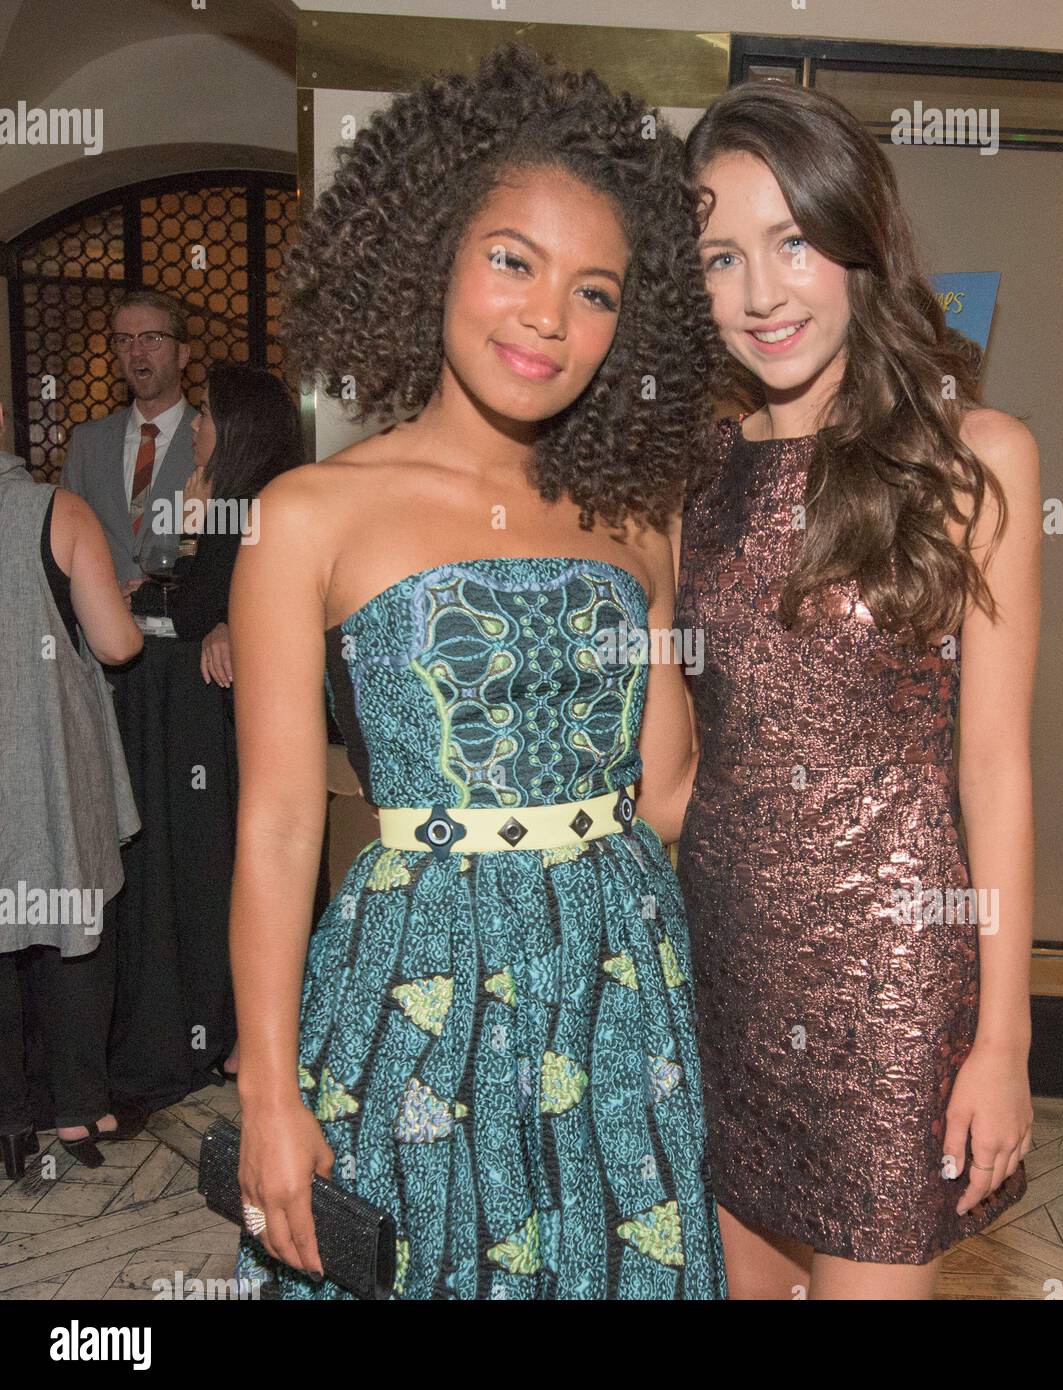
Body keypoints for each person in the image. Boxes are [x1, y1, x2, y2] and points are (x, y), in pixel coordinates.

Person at [230, 44, 726, 1300]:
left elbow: (670, 794)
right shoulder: (308, 513)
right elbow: (283, 826)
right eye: (515, 260)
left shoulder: (634, 521)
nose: (551, 318)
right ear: (435, 254)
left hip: (622, 995)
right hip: (414, 993)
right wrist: (266, 1089)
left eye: (597, 291)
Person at [673, 80, 1040, 1299]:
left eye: (791, 242)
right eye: (721, 256)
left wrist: (1002, 1037)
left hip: (891, 980)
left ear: (858, 235)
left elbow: (991, 766)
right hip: (721, 964)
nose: (760, 294)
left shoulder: (976, 458)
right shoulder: (699, 475)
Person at [60, 289, 239, 1111]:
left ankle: (199, 1019)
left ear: (181, 350)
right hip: (112, 671)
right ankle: (133, 1009)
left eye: (153, 338)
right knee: (122, 834)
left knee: (185, 835)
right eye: (124, 339)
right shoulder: (90, 444)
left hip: (187, 671)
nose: (137, 353)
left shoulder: (217, 436)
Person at [129, 362, 312, 1086]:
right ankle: (236, 1029)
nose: (195, 427)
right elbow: (173, 583)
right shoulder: (229, 494)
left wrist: (215, 611)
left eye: (204, 416)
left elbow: (190, 606)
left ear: (237, 429)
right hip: (220, 716)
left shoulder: (263, 501)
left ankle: (253, 1036)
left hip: (256, 725)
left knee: (242, 866)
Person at [0, 400, 149, 1175]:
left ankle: (7, 1116)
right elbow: (120, 646)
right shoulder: (59, 512)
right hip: (50, 758)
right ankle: (76, 1110)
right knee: (70, 917)